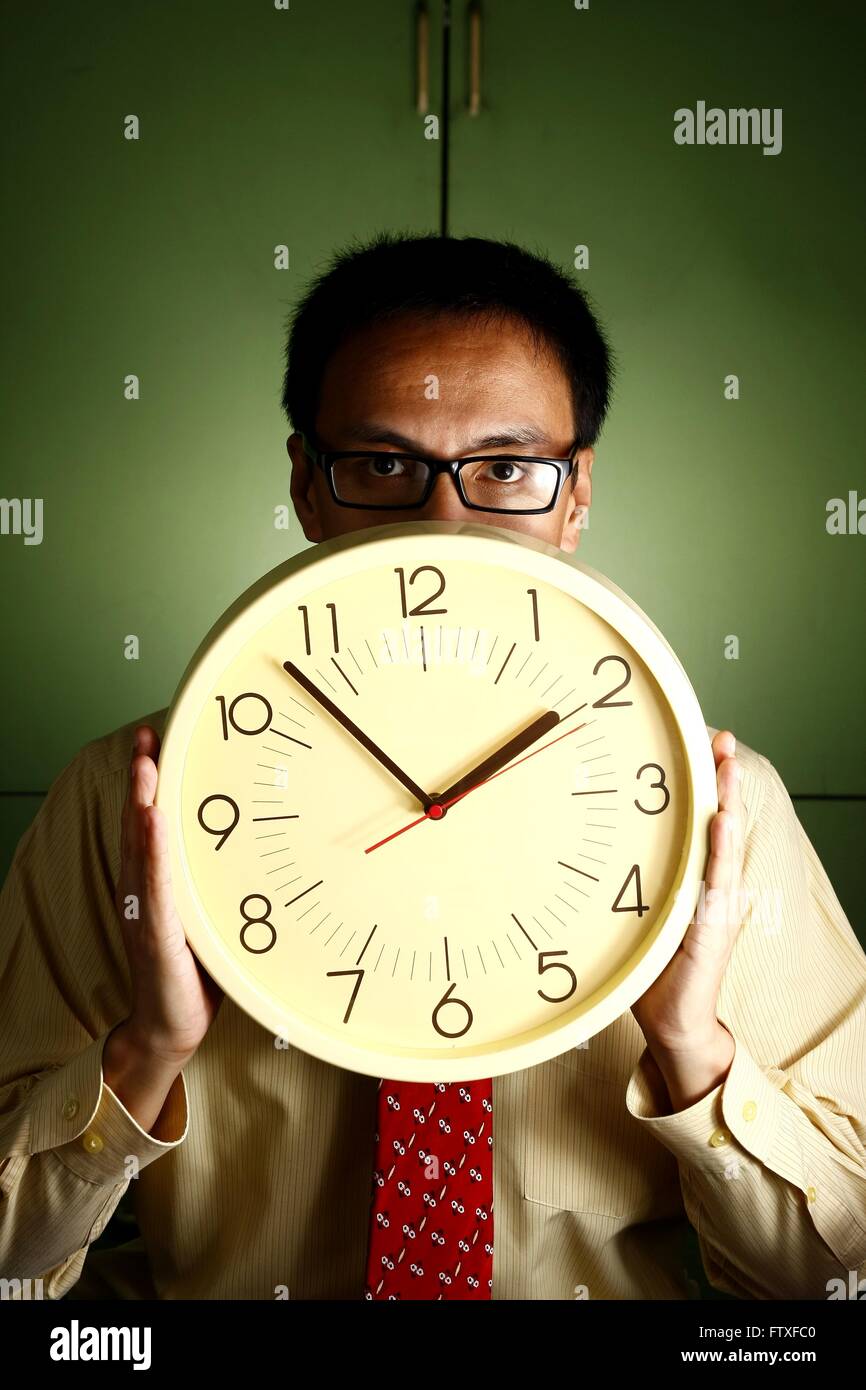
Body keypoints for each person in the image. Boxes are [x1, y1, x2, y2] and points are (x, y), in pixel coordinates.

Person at [1, 234, 864, 1301]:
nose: (442, 518)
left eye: (504, 468)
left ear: (575, 494)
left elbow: (830, 1288)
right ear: (307, 487)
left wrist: (692, 1048)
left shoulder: (721, 809)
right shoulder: (123, 796)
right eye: (381, 465)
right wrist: (147, 1052)